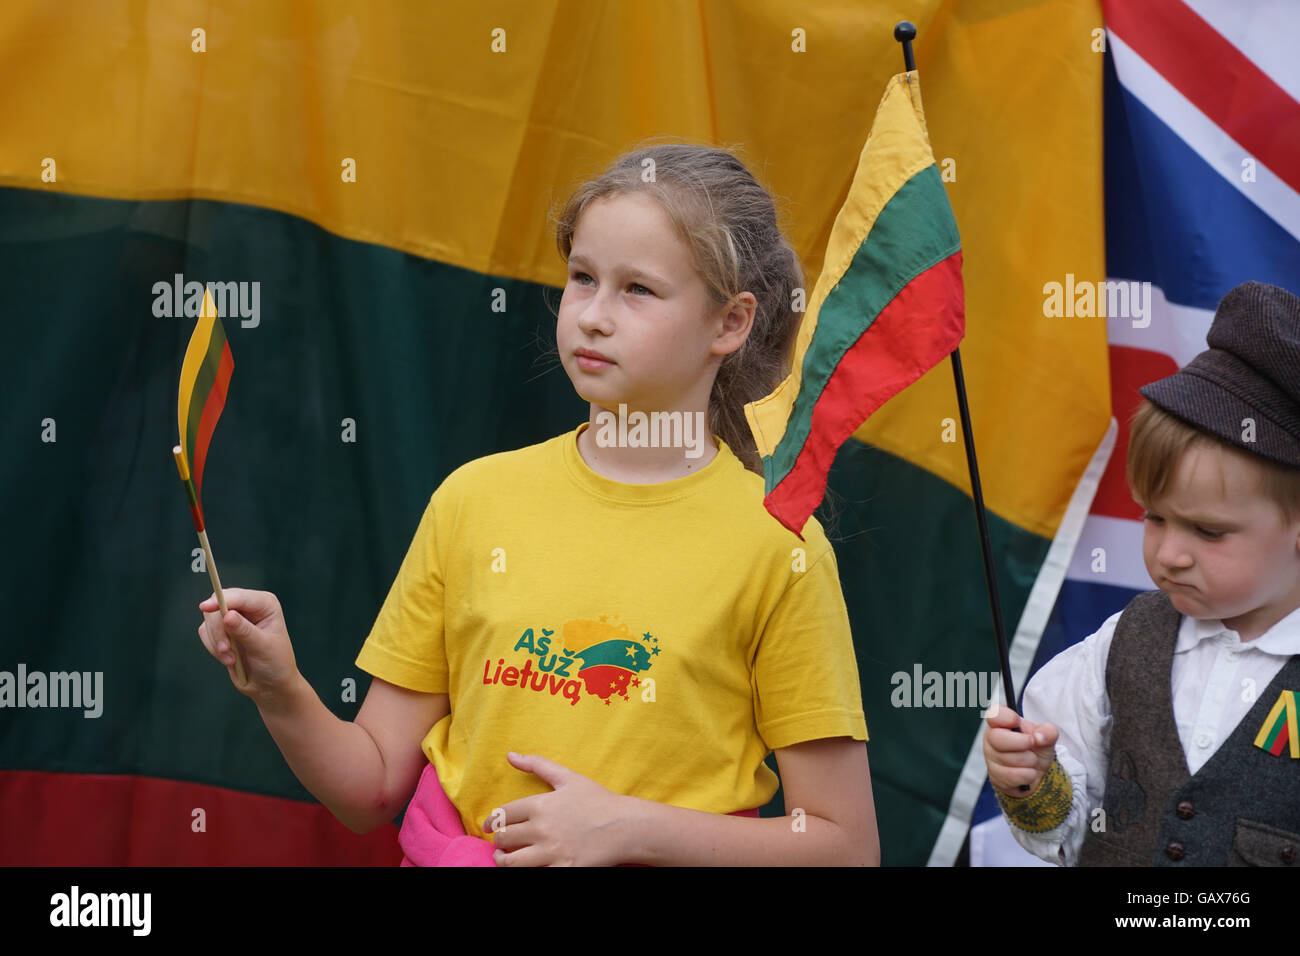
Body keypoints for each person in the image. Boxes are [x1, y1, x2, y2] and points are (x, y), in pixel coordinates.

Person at [197, 141, 878, 866]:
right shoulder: (474, 500)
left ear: (730, 324)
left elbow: (843, 845)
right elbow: (368, 789)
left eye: (638, 290)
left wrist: (630, 829)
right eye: (583, 278)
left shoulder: (779, 545)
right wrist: (280, 688)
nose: (592, 315)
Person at [984, 280, 1300, 866]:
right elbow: (1066, 829)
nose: (1170, 554)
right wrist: (1031, 780)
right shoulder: (1120, 646)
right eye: (1155, 518)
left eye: (1207, 531)